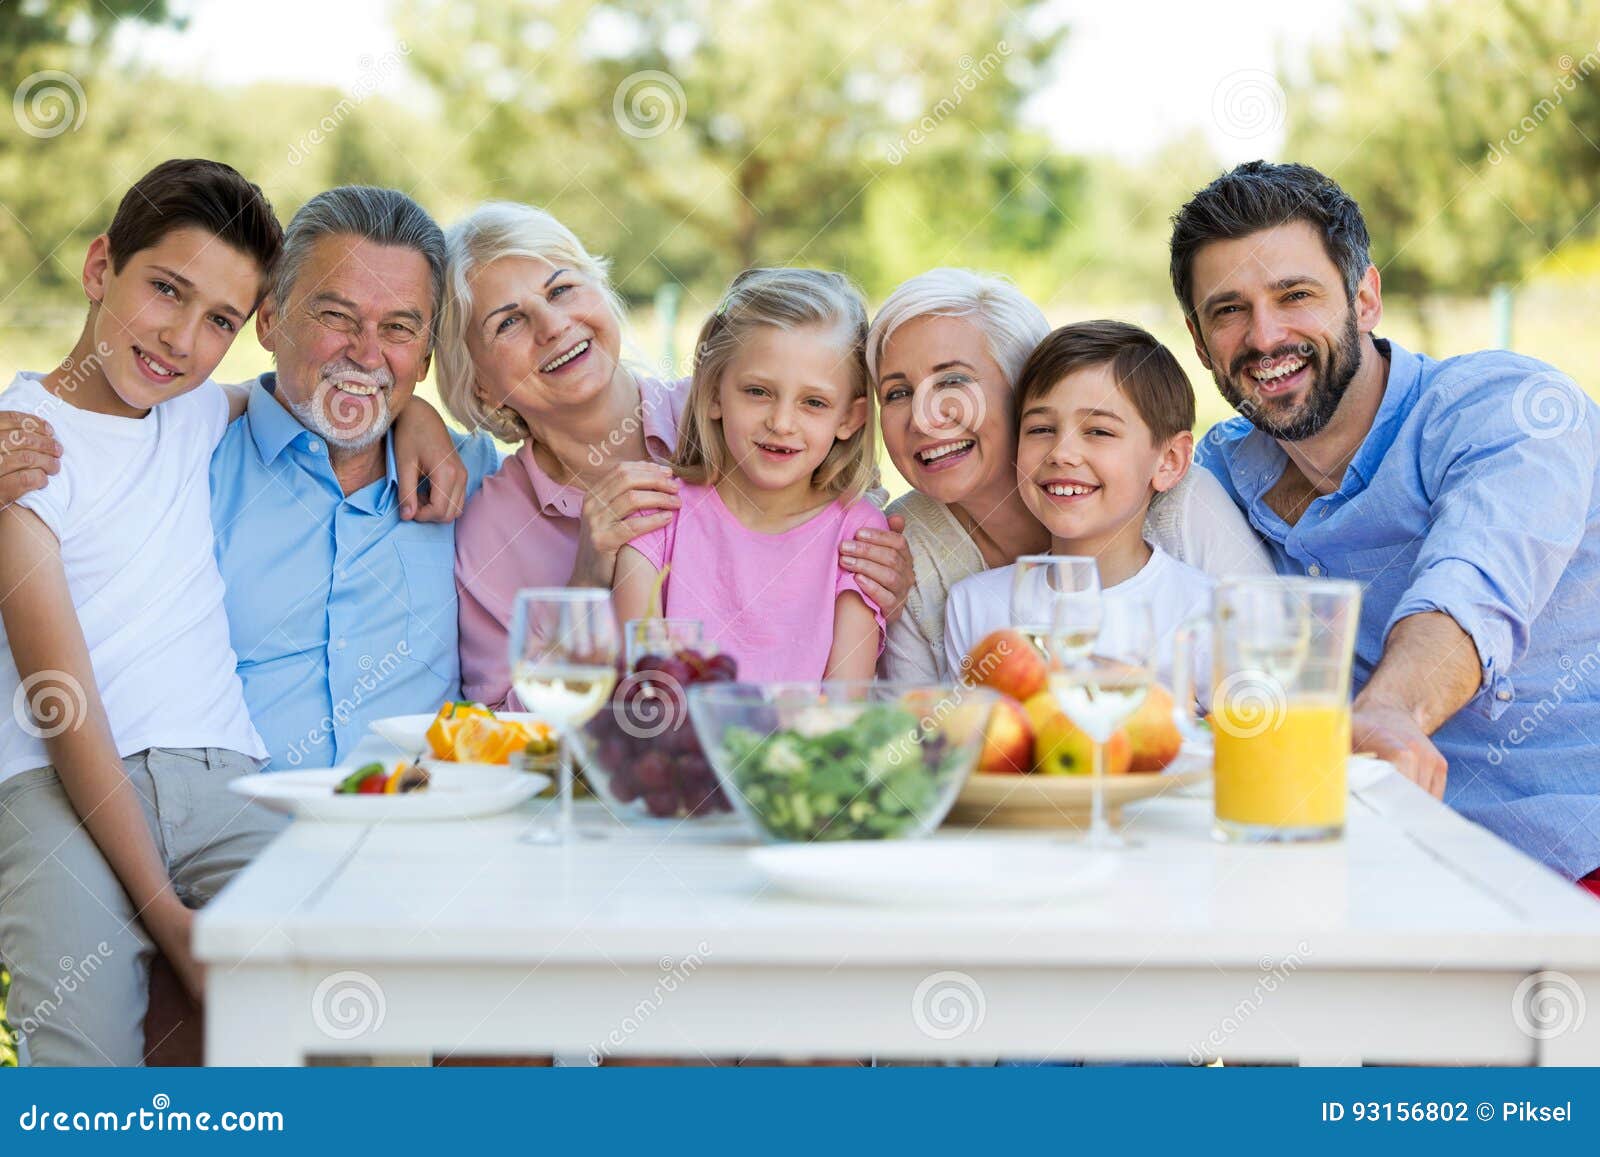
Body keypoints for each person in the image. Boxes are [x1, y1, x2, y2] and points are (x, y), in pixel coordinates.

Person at [1172, 159, 1600, 886]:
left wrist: (1392, 711)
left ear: (1365, 296)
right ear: (1197, 336)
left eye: (1294, 294)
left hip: (1568, 864)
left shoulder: (1507, 408)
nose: (1265, 335)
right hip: (1366, 873)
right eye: (1229, 310)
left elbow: (1473, 584)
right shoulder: (1214, 475)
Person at [0, 159, 283, 1065]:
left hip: (219, 774)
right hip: (55, 783)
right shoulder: (24, 457)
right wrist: (167, 916)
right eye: (167, 289)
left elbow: (301, 396)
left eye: (220, 322)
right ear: (98, 270)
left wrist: (420, 421)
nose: (182, 338)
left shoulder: (194, 412)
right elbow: (64, 703)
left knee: (342, 997)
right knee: (79, 1063)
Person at [439, 204, 913, 704]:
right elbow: (502, 726)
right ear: (479, 383)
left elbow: (840, 501)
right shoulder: (492, 528)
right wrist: (585, 580)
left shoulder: (737, 412)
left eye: (561, 290)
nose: (553, 325)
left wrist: (895, 580)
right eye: (508, 322)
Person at [208, 186, 501, 769]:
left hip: (417, 832)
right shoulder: (190, 466)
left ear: (425, 358)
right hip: (232, 839)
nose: (367, 356)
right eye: (337, 316)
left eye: (398, 329)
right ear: (269, 321)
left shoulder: (479, 477)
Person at [872, 269, 1272, 682]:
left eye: (954, 382)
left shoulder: (1183, 507)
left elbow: (1268, 673)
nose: (923, 418)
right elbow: (920, 731)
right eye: (896, 393)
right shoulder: (917, 557)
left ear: (1020, 387)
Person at [613, 268, 887, 681]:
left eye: (813, 402)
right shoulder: (658, 512)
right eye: (758, 392)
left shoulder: (858, 532)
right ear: (712, 394)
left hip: (806, 745)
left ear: (850, 417)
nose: (781, 422)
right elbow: (642, 685)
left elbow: (843, 708)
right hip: (673, 743)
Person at [943, 321, 1213, 679]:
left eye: (1099, 431)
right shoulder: (975, 606)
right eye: (1041, 429)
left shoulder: (1206, 611)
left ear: (1169, 461)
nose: (1062, 453)